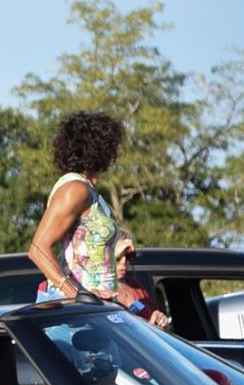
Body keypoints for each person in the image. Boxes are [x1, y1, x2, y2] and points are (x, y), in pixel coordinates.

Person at [29, 111, 128, 300]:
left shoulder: (90, 191)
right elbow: (38, 249)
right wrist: (78, 295)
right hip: (71, 312)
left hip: (94, 308)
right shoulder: (75, 189)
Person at [112, 236, 170, 328]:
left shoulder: (135, 285)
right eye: (118, 258)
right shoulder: (100, 292)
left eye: (128, 256)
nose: (123, 263)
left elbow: (155, 320)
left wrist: (161, 320)